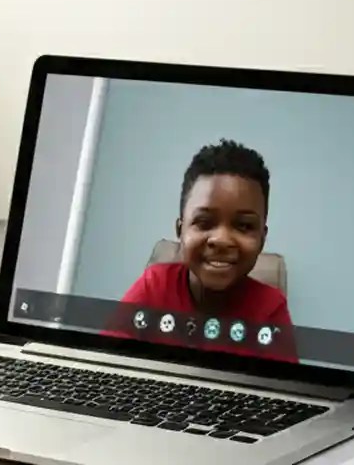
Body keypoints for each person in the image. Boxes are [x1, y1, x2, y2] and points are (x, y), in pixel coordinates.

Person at [105, 139, 298, 363]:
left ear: (262, 239)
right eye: (204, 222)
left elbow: (284, 388)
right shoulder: (154, 286)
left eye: (244, 226)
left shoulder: (270, 308)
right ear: (180, 230)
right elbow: (107, 362)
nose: (222, 240)